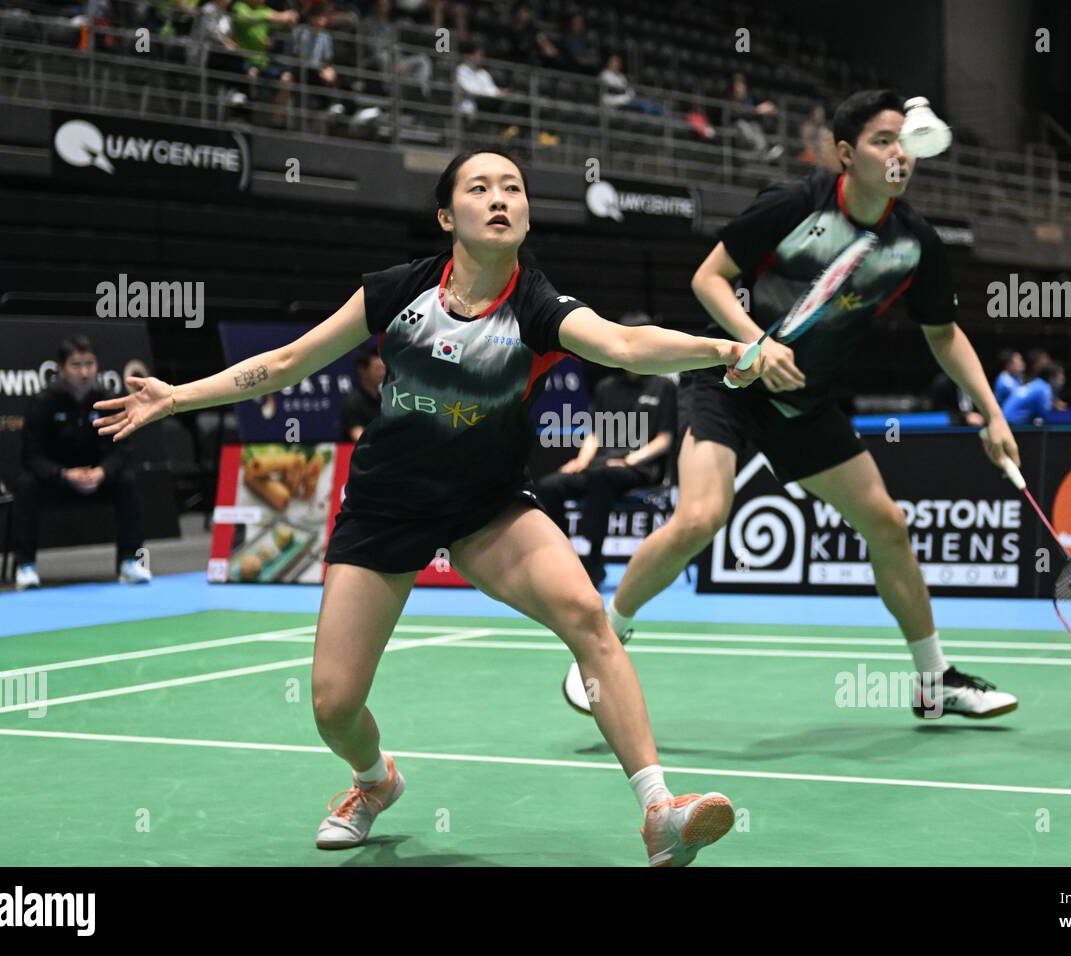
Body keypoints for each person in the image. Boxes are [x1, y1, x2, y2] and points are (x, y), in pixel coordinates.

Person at [93, 149, 763, 866]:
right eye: (480, 188)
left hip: (487, 507)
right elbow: (289, 362)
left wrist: (718, 347)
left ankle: (660, 811)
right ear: (448, 216)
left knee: (587, 616)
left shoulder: (537, 306)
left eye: (514, 187)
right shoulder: (398, 291)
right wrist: (178, 397)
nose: (500, 197)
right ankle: (373, 782)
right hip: (386, 506)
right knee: (333, 706)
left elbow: (627, 345)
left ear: (527, 214)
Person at [568, 90, 1022, 722]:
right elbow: (707, 278)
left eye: (904, 142)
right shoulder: (793, 205)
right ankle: (603, 641)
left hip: (804, 401)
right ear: (845, 153)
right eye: (881, 141)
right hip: (732, 378)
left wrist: (993, 413)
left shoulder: (914, 243)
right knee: (702, 516)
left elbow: (944, 334)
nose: (898, 155)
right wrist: (753, 342)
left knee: (887, 525)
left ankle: (933, 679)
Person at [536, 313, 678, 587]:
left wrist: (630, 459)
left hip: (640, 468)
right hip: (601, 466)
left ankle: (593, 558)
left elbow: (664, 439)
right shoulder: (607, 387)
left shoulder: (662, 386)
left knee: (601, 480)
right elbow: (595, 433)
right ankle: (566, 555)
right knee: (550, 485)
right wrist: (581, 460)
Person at [12, 336, 151, 591]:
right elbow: (31, 456)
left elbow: (123, 451)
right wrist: (64, 474)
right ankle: (25, 565)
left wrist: (102, 472)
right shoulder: (44, 402)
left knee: (128, 481)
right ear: (61, 369)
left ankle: (130, 562)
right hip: (57, 481)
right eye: (76, 365)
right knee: (26, 485)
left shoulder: (107, 400)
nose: (85, 371)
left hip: (96, 479)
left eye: (90, 364)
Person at [230, 0, 298, 127]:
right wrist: (276, 16)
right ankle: (246, 116)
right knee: (252, 74)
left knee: (287, 78)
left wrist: (289, 19)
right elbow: (247, 18)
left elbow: (282, 23)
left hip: (264, 63)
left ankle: (276, 121)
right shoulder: (239, 6)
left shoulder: (265, 9)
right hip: (244, 61)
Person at [729, 71, 782, 162]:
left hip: (751, 126)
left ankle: (764, 152)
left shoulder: (749, 98)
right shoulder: (730, 98)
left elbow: (759, 109)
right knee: (742, 124)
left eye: (742, 85)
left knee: (756, 125)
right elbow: (735, 114)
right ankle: (761, 155)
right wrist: (756, 110)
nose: (740, 88)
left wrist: (766, 108)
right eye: (737, 85)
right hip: (738, 128)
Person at [339, 341, 384, 442]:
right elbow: (358, 436)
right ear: (362, 371)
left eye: (384, 368)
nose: (383, 373)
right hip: (357, 454)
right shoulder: (353, 402)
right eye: (378, 369)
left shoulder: (385, 398)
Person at [598, 52, 663, 115]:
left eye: (618, 63)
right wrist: (623, 92)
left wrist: (627, 94)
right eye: (615, 62)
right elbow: (613, 89)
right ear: (609, 63)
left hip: (625, 100)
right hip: (612, 101)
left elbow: (629, 90)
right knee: (644, 105)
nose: (617, 64)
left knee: (652, 104)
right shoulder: (605, 74)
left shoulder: (621, 76)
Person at [798, 101, 840, 171]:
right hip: (809, 154)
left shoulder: (824, 129)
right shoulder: (807, 127)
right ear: (813, 114)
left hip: (822, 157)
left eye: (822, 113)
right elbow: (806, 144)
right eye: (818, 113)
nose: (820, 115)